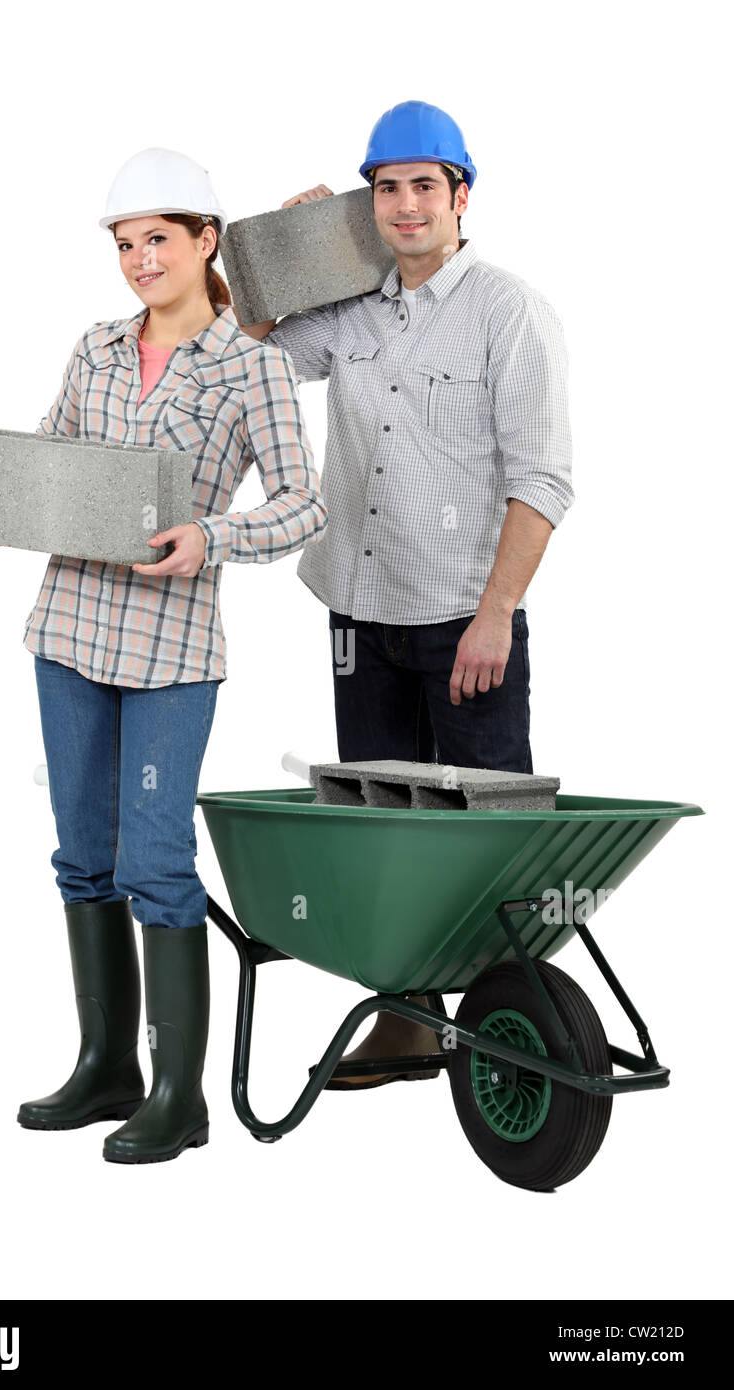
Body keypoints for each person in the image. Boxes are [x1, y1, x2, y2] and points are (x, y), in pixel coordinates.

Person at [0, 147, 326, 1162]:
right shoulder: (98, 347)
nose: (139, 259)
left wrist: (213, 536)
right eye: (124, 244)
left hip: (169, 651)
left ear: (208, 240)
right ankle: (105, 1064)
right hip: (68, 631)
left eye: (158, 238)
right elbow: (50, 451)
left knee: (155, 862)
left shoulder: (252, 367)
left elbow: (302, 500)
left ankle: (177, 1094)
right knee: (83, 857)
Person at [242, 101, 574, 1089]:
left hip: (460, 621)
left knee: (485, 849)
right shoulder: (346, 308)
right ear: (369, 201)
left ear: (460, 196)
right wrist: (282, 249)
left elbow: (542, 479)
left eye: (423, 185)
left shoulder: (506, 310)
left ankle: (508, 1032)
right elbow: (244, 352)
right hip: (359, 613)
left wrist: (493, 614)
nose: (403, 205)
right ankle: (405, 1021)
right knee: (382, 832)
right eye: (384, 188)